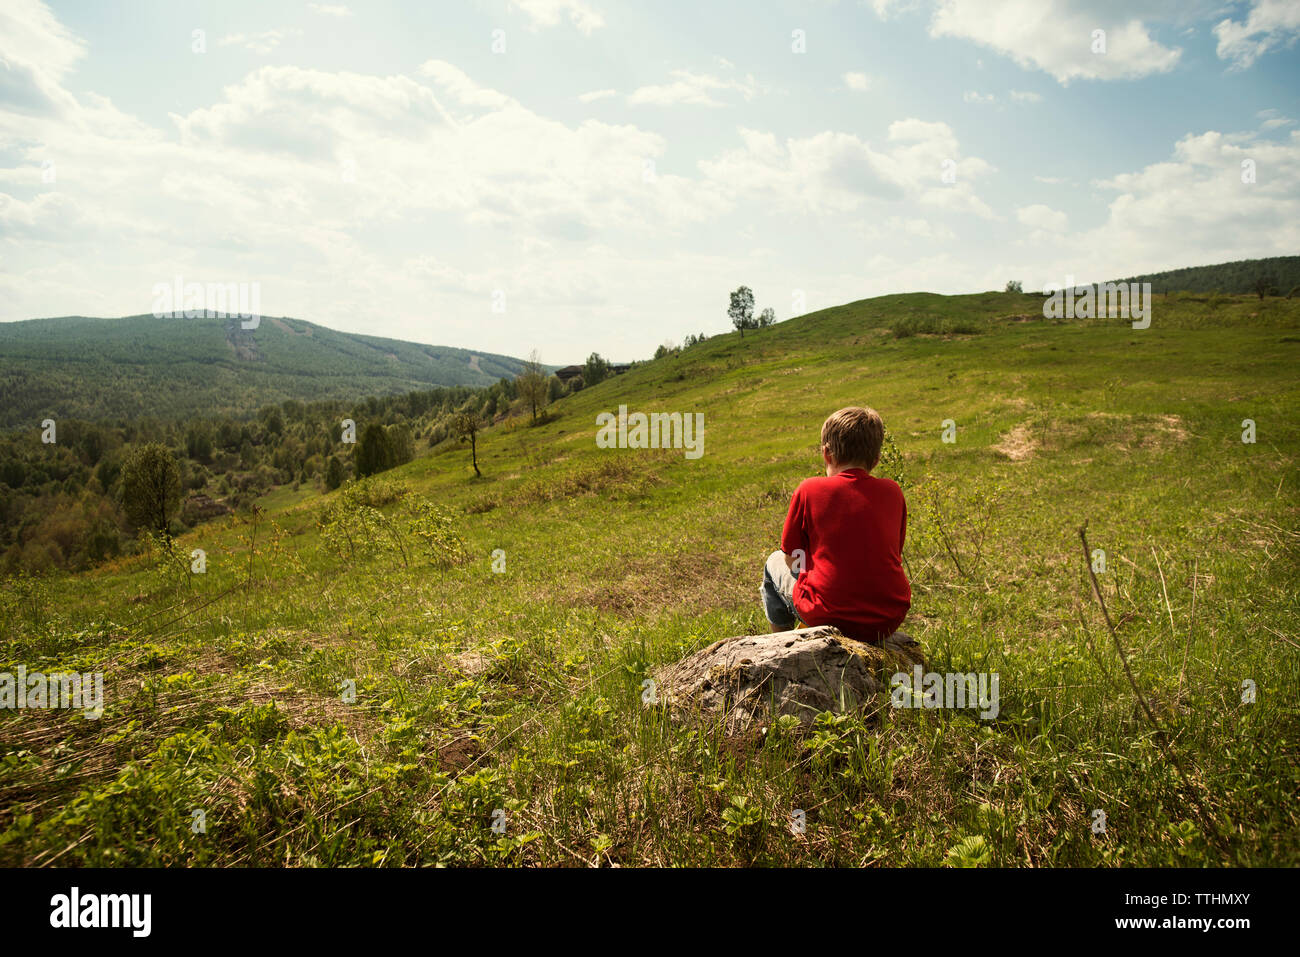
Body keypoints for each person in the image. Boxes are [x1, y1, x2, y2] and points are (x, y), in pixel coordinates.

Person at [761, 406, 910, 644]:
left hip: (827, 614)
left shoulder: (809, 489)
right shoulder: (893, 492)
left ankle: (781, 647)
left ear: (826, 454)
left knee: (772, 562)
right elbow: (893, 553)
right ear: (876, 459)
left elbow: (791, 558)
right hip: (888, 618)